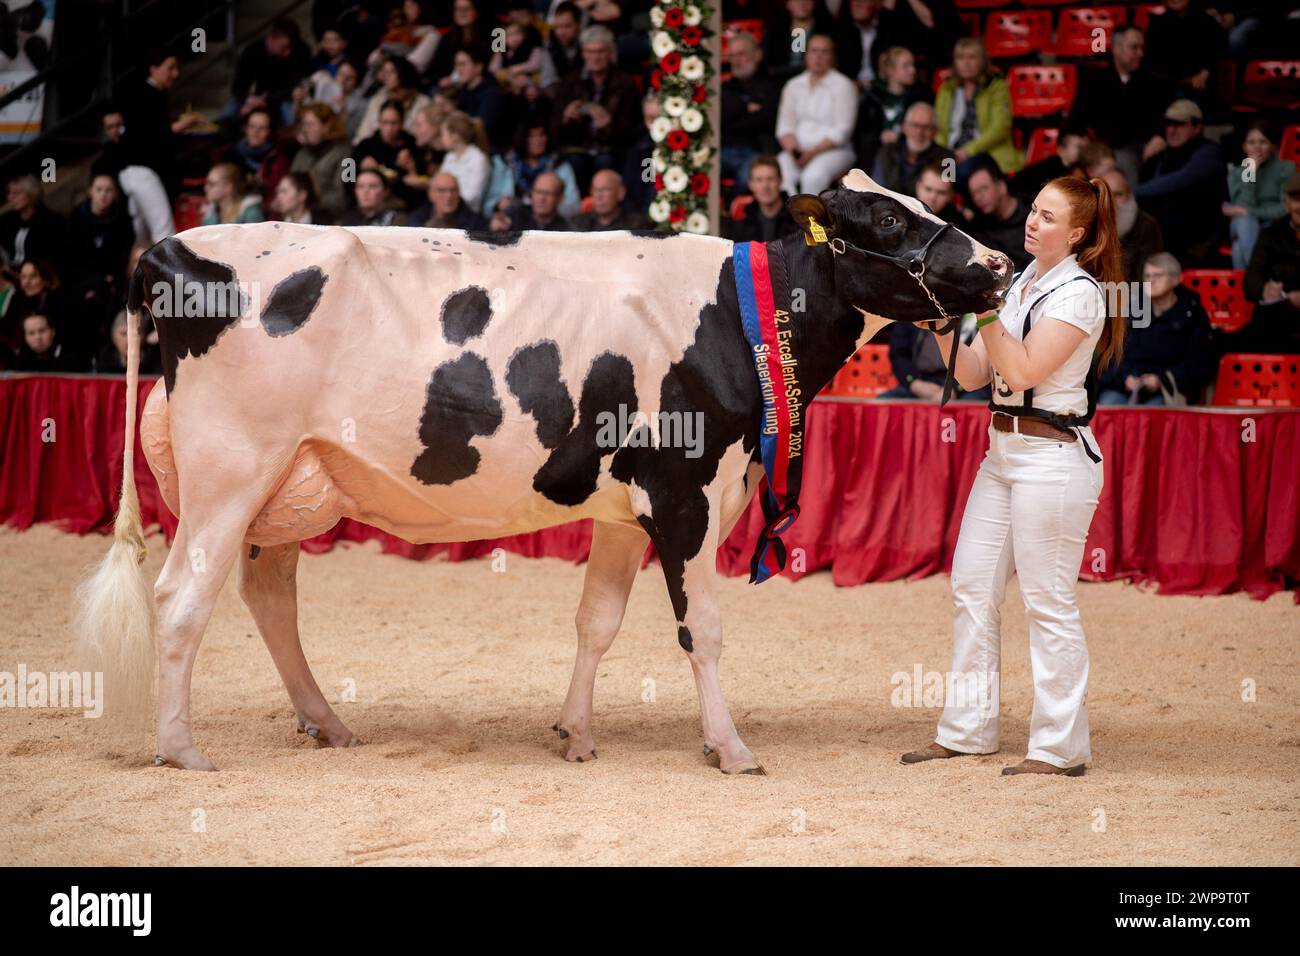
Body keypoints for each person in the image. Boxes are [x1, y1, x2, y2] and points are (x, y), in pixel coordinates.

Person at [903, 175, 1125, 777]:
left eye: (1048, 217)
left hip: (1052, 459)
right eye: (1032, 210)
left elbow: (1022, 371)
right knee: (972, 587)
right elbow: (977, 375)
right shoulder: (1022, 279)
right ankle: (969, 730)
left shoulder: (1080, 294)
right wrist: (946, 323)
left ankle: (1059, 748)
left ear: (1076, 234)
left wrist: (986, 308)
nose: (1032, 222)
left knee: (1048, 603)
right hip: (1001, 454)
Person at [1098, 252, 1214, 405]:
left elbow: (1200, 363)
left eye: (1157, 276)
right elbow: (1109, 354)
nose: (1150, 281)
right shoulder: (1129, 308)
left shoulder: (1192, 313)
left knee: (1155, 412)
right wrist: (1125, 378)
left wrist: (1162, 380)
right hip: (1124, 386)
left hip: (1168, 389)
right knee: (1108, 407)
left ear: (1176, 279)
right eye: (1147, 276)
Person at [1067, 25, 1170, 186]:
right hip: (1102, 149)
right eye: (1134, 48)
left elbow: (1166, 118)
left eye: (1142, 48)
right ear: (1116, 48)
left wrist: (1160, 136)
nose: (1140, 53)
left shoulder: (1153, 82)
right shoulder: (1094, 80)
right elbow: (1075, 122)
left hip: (1142, 149)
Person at [550, 26, 643, 190]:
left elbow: (633, 131)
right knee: (574, 162)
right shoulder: (570, 82)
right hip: (577, 147)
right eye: (590, 52)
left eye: (600, 51)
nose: (595, 57)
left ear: (610, 53)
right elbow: (554, 130)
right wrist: (566, 117)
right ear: (583, 54)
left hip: (611, 148)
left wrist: (608, 124)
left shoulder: (625, 83)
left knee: (605, 161)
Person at [1135, 98, 1226, 266]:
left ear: (1197, 127)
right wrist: (1149, 161)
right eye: (1168, 124)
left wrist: (1130, 192)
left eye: (1180, 124)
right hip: (1162, 234)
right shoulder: (1161, 155)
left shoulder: (1209, 152)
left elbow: (1179, 181)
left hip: (1196, 236)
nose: (1172, 130)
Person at [775, 33, 857, 195]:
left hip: (833, 151)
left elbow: (843, 131)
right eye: (813, 51)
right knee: (779, 169)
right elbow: (785, 126)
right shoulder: (793, 85)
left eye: (824, 52)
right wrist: (795, 152)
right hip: (798, 150)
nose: (818, 57)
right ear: (806, 56)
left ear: (833, 57)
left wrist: (811, 153)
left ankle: (811, 220)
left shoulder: (844, 85)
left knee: (813, 176)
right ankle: (790, 217)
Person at [933, 38, 1023, 184]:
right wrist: (946, 153)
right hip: (951, 155)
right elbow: (938, 128)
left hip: (986, 152)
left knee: (960, 177)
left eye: (972, 57)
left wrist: (968, 151)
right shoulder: (947, 89)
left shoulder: (996, 86)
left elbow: (1000, 128)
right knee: (938, 179)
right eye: (961, 58)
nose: (966, 63)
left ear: (982, 60)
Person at [1232, 172, 1300, 355]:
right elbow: (1251, 281)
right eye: (1295, 199)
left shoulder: (1283, 167)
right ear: (1286, 203)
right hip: (1279, 313)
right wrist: (1265, 290)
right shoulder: (1271, 234)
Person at [93, 107, 175, 243]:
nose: (116, 130)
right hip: (126, 200)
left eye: (119, 125)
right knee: (138, 238)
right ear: (104, 130)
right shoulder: (103, 160)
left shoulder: (139, 141)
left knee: (163, 232)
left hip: (145, 179)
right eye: (110, 127)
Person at [1224, 120, 1296, 271]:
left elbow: (1286, 208)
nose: (1257, 147)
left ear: (1272, 145)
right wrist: (1250, 172)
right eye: (1251, 142)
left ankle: (1251, 289)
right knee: (1245, 221)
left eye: (1263, 142)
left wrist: (1251, 212)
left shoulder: (1286, 168)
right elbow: (1243, 207)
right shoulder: (1237, 174)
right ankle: (1259, 278)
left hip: (1274, 224)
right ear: (1244, 147)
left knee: (1238, 249)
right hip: (1244, 225)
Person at [853, 45, 928, 177]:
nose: (913, 70)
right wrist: (880, 136)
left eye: (913, 65)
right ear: (890, 70)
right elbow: (861, 132)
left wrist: (901, 136)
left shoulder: (921, 96)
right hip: (877, 150)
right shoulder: (872, 97)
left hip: (910, 150)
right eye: (906, 66)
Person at [720, 31, 779, 188]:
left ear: (758, 55)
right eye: (732, 56)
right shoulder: (724, 88)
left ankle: (736, 211)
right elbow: (718, 118)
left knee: (749, 175)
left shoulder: (772, 85)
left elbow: (767, 120)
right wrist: (745, 107)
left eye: (741, 54)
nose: (736, 60)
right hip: (723, 149)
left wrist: (733, 116)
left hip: (757, 151)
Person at [871, 101, 951, 196]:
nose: (919, 133)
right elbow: (876, 189)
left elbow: (947, 195)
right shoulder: (887, 151)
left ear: (935, 131)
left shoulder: (948, 159)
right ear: (904, 127)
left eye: (926, 127)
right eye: (915, 125)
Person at [289, 103, 353, 218]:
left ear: (326, 126)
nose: (305, 129)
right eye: (304, 124)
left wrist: (311, 200)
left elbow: (344, 196)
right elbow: (291, 184)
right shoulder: (302, 154)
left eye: (310, 124)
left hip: (332, 219)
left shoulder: (347, 156)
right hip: (300, 216)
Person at [1102, 168, 1164, 285]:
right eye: (1107, 195)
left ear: (1130, 195)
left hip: (1135, 297)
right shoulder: (1086, 226)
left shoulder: (1147, 226)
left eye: (1118, 195)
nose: (1112, 202)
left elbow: (1146, 279)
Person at [965, 163, 1031, 272]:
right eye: (974, 194)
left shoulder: (1032, 209)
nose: (978, 197)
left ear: (1001, 187)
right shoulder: (982, 230)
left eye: (983, 189)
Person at [353, 56, 430, 144]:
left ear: (403, 73)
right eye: (385, 72)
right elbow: (364, 133)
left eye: (392, 71)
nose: (386, 76)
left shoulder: (423, 103)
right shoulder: (378, 99)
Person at [223, 108, 290, 205]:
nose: (255, 132)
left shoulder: (276, 159)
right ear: (245, 129)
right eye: (252, 127)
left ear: (270, 132)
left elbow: (274, 195)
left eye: (262, 128)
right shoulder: (233, 153)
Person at [0, 175, 65, 275]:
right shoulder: (7, 219)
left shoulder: (50, 221)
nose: (10, 197)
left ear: (31, 194)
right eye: (9, 193)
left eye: (16, 193)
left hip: (36, 275)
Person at [727, 155, 799, 243]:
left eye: (770, 179)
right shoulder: (741, 224)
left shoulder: (797, 221)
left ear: (780, 181)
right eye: (759, 180)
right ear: (750, 184)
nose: (765, 186)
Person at [1012, 128, 1089, 203]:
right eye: (1078, 147)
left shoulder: (1076, 168)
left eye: (1085, 147)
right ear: (1061, 149)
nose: (1083, 151)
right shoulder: (1049, 169)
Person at [439, 112, 492, 214]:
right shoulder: (449, 157)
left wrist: (448, 198)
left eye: (443, 134)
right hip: (445, 209)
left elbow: (472, 196)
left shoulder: (478, 159)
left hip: (467, 214)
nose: (441, 139)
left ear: (455, 136)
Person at [570, 170, 647, 231]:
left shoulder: (636, 225)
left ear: (621, 193)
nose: (599, 196)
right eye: (595, 190)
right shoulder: (577, 224)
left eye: (605, 189)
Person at [408, 172, 486, 230]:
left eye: (453, 190)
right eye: (441, 191)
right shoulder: (417, 218)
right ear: (430, 194)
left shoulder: (475, 224)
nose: (449, 196)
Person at [497, 171, 570, 231]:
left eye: (548, 193)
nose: (541, 198)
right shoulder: (513, 215)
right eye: (538, 192)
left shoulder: (566, 231)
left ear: (560, 198)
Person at [338, 168, 407, 226]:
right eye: (360, 186)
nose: (365, 191)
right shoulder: (347, 219)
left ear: (386, 191)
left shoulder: (396, 219)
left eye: (373, 186)